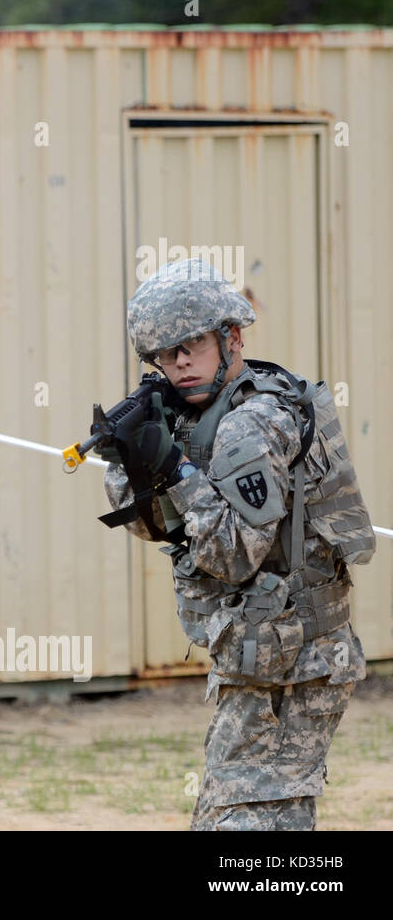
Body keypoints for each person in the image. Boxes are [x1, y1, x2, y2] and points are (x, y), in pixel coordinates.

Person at [101, 258, 375, 831]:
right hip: (262, 657)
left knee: (249, 825)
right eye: (162, 354)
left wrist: (175, 469)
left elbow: (231, 555)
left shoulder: (254, 421)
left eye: (191, 345)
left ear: (232, 337)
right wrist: (133, 464)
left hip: (297, 664)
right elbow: (157, 529)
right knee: (241, 818)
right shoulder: (196, 415)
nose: (178, 364)